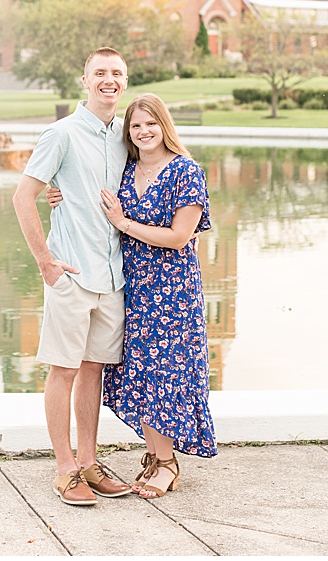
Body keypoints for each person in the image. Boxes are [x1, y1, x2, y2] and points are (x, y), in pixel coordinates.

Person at [53, 93, 216, 497]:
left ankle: (167, 463)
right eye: (135, 126)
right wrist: (54, 192)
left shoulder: (185, 172)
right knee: (142, 373)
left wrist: (124, 223)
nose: (143, 132)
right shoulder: (125, 171)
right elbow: (80, 186)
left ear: (165, 126)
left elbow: (180, 237)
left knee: (167, 373)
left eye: (151, 124)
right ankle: (153, 456)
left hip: (173, 291)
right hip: (133, 288)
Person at [12, 47, 134, 506]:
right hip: (72, 272)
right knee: (63, 370)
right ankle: (64, 469)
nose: (109, 80)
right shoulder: (60, 134)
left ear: (125, 81)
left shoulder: (125, 136)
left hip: (113, 276)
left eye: (116, 74)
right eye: (100, 73)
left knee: (93, 370)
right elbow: (24, 197)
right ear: (85, 80)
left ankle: (88, 462)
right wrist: (46, 262)